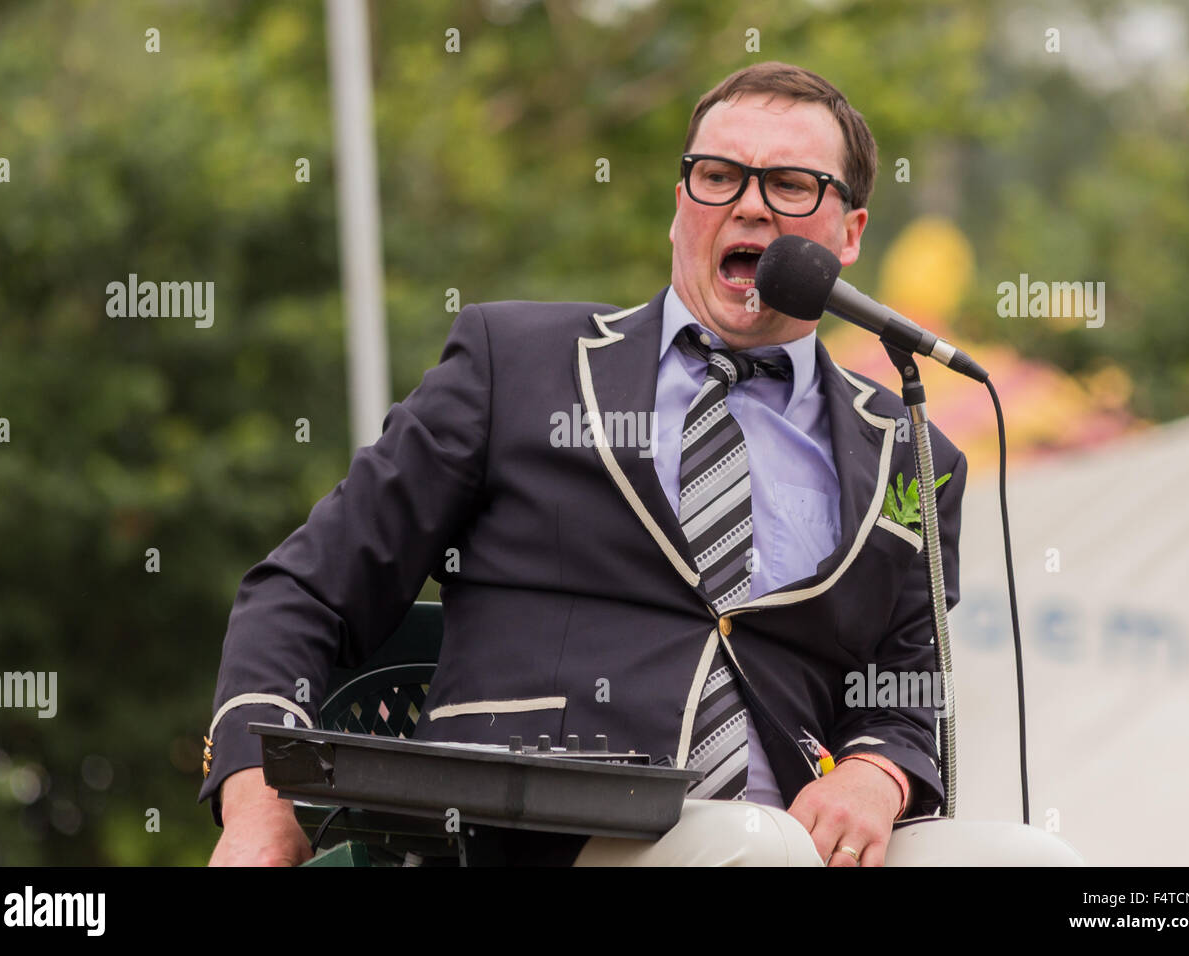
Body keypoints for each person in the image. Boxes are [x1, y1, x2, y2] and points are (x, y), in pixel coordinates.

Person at [202, 61, 1081, 867]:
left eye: (789, 184)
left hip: (802, 846)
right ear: (680, 206)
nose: (749, 204)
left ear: (848, 234)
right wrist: (254, 798)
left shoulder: (910, 450)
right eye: (719, 175)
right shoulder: (517, 362)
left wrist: (876, 776)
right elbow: (307, 588)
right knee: (755, 848)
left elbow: (905, 686)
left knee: (1038, 863)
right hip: (543, 834)